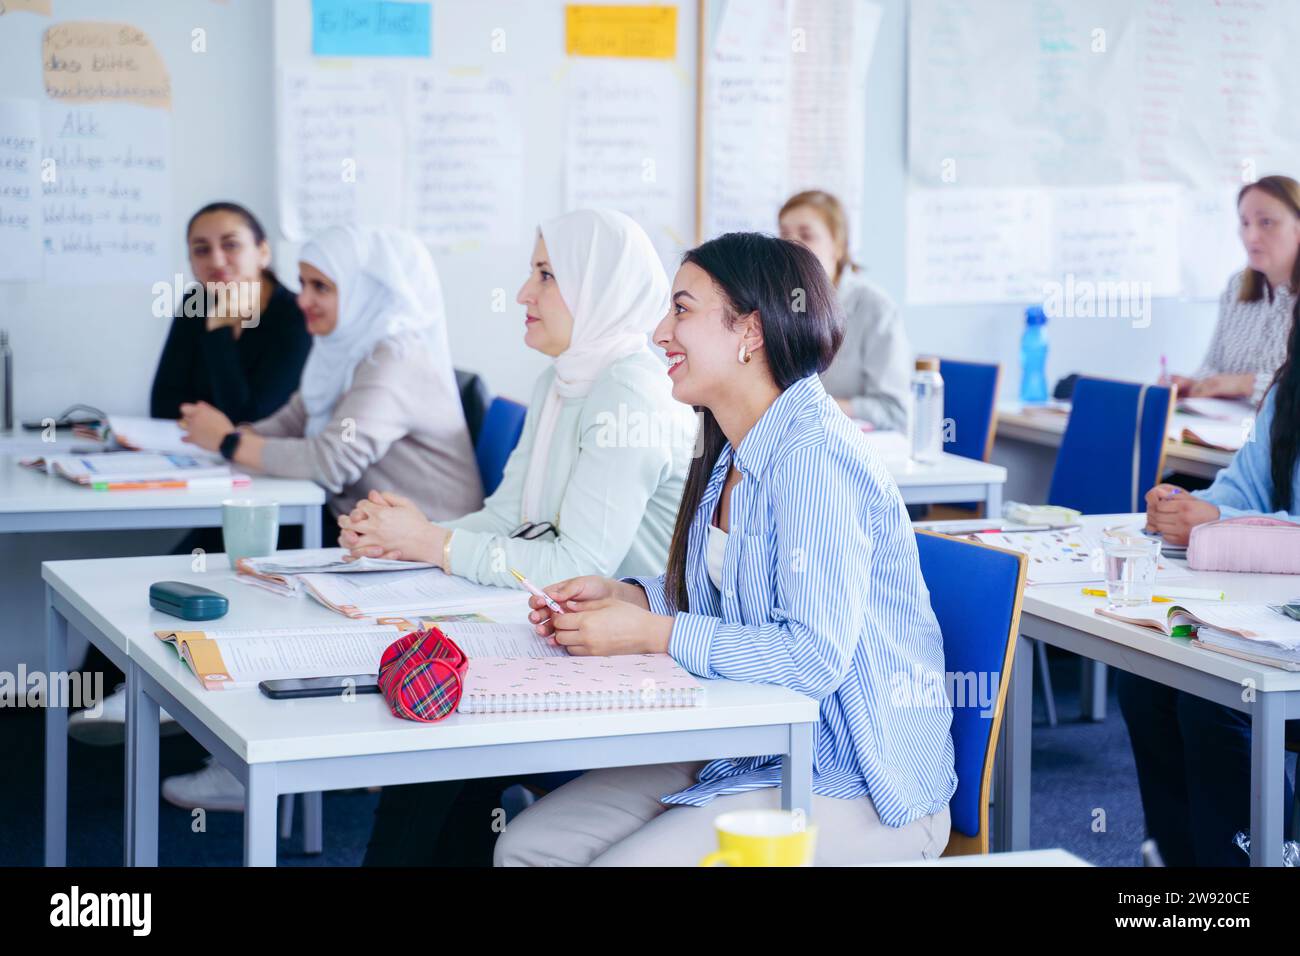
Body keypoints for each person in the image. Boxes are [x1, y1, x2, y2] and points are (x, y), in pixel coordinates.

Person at [495, 232, 957, 866]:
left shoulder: (813, 459)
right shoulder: (734, 448)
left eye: (681, 310)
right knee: (528, 847)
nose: (660, 333)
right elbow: (724, 590)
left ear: (751, 332)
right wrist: (628, 594)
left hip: (858, 782)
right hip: (749, 744)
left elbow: (813, 657)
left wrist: (653, 633)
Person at [355, 208, 698, 866]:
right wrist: (409, 538)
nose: (522, 293)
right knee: (431, 738)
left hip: (636, 655)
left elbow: (577, 563)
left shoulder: (629, 391)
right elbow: (508, 516)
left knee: (442, 740)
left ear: (597, 286)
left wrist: (432, 542)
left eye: (546, 274)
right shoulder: (565, 377)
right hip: (564, 633)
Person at [160, 225, 484, 811]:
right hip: (369, 540)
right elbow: (295, 420)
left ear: (364, 292)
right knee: (245, 570)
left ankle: (253, 768)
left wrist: (231, 444)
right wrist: (234, 436)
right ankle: (241, 749)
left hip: (424, 549)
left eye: (321, 287)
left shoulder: (395, 356)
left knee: (257, 591)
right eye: (304, 282)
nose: (303, 298)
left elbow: (332, 458)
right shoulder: (346, 348)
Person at [1121, 297, 1300, 866]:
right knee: (1149, 675)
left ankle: (1251, 865)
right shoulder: (1288, 390)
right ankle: (1184, 866)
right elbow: (1243, 489)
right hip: (1274, 612)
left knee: (1213, 700)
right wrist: (1188, 506)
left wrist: (1221, 523)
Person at [151, 202, 311, 423]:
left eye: (231, 245)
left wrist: (218, 328)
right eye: (202, 250)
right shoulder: (197, 302)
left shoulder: (297, 315)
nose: (216, 261)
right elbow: (163, 407)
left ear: (262, 252)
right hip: (193, 451)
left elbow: (251, 420)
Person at [778, 189, 912, 432]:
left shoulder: (875, 309)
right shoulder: (780, 305)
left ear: (838, 247)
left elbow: (896, 411)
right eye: (784, 235)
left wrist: (814, 407)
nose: (791, 246)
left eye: (806, 235)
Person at [1169, 175, 1300, 404]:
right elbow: (1214, 366)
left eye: (1266, 222)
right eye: (1245, 223)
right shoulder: (1237, 287)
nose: (1251, 237)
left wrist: (1248, 384)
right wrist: (1193, 385)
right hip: (1224, 430)